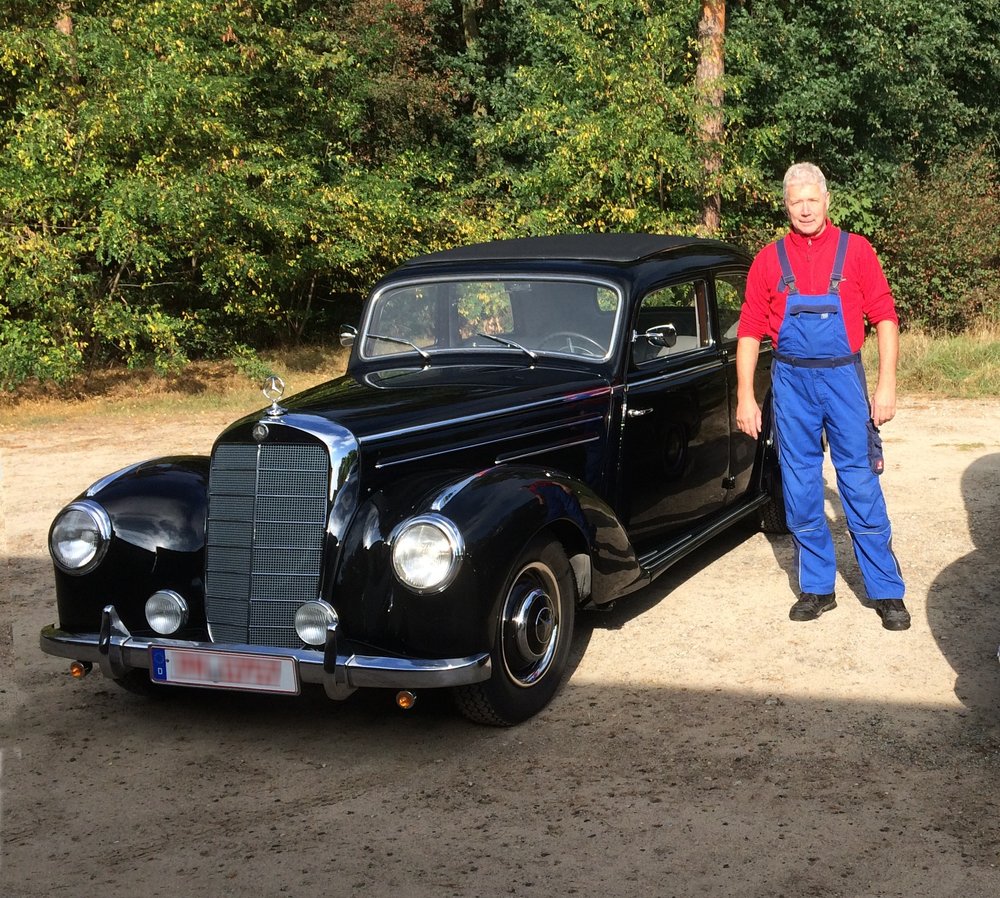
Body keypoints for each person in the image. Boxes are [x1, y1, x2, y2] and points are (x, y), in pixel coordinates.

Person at [735, 162, 909, 631]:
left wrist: (886, 384)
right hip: (790, 384)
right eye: (796, 201)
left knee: (859, 482)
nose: (806, 209)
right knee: (800, 485)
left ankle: (887, 591)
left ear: (827, 201)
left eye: (813, 199)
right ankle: (817, 587)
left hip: (844, 382)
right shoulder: (768, 261)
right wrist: (745, 397)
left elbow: (886, 318)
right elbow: (750, 330)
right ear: (786, 205)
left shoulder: (856, 252)